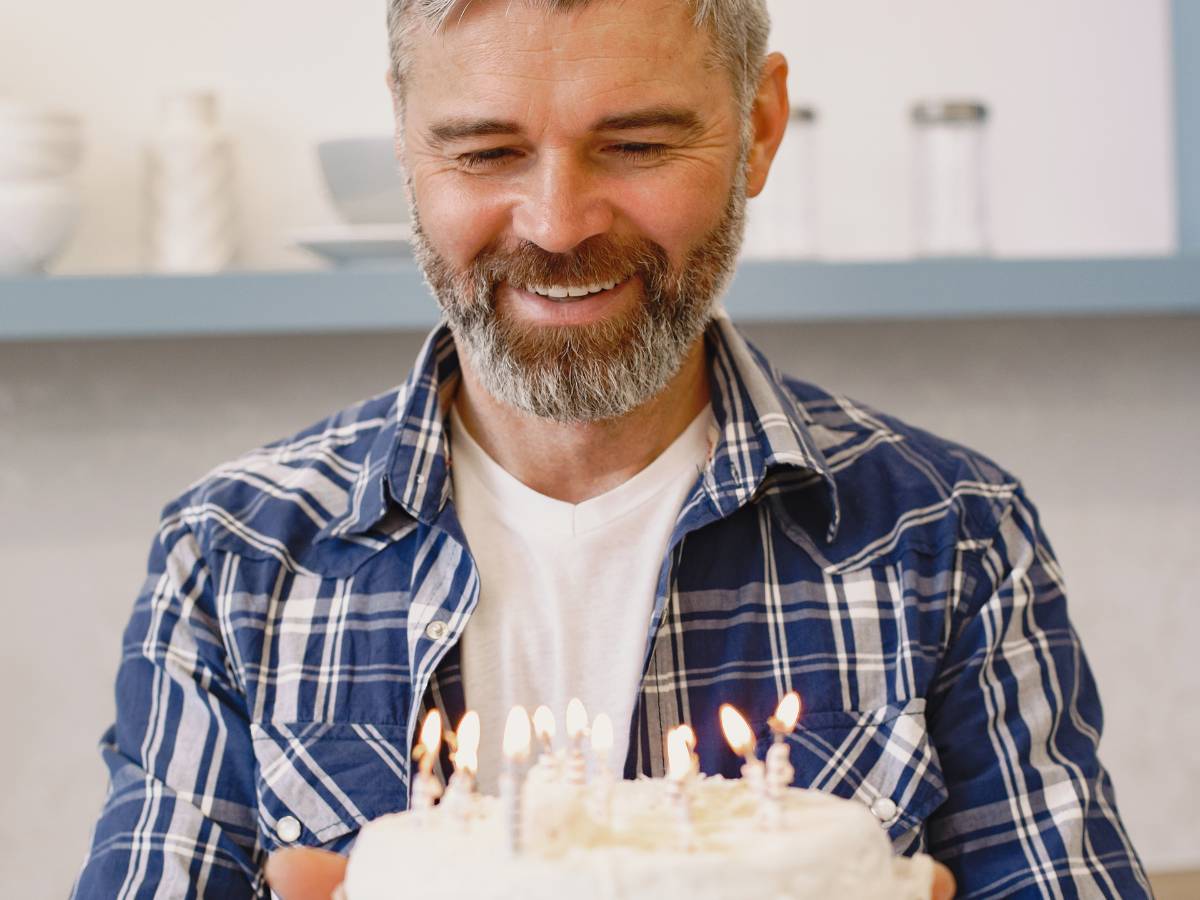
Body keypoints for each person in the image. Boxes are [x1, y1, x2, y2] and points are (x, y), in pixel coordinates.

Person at [72, 1, 1149, 898]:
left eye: (635, 145)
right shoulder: (236, 557)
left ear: (761, 128)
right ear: (407, 144)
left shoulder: (946, 533)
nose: (555, 222)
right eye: (486, 150)